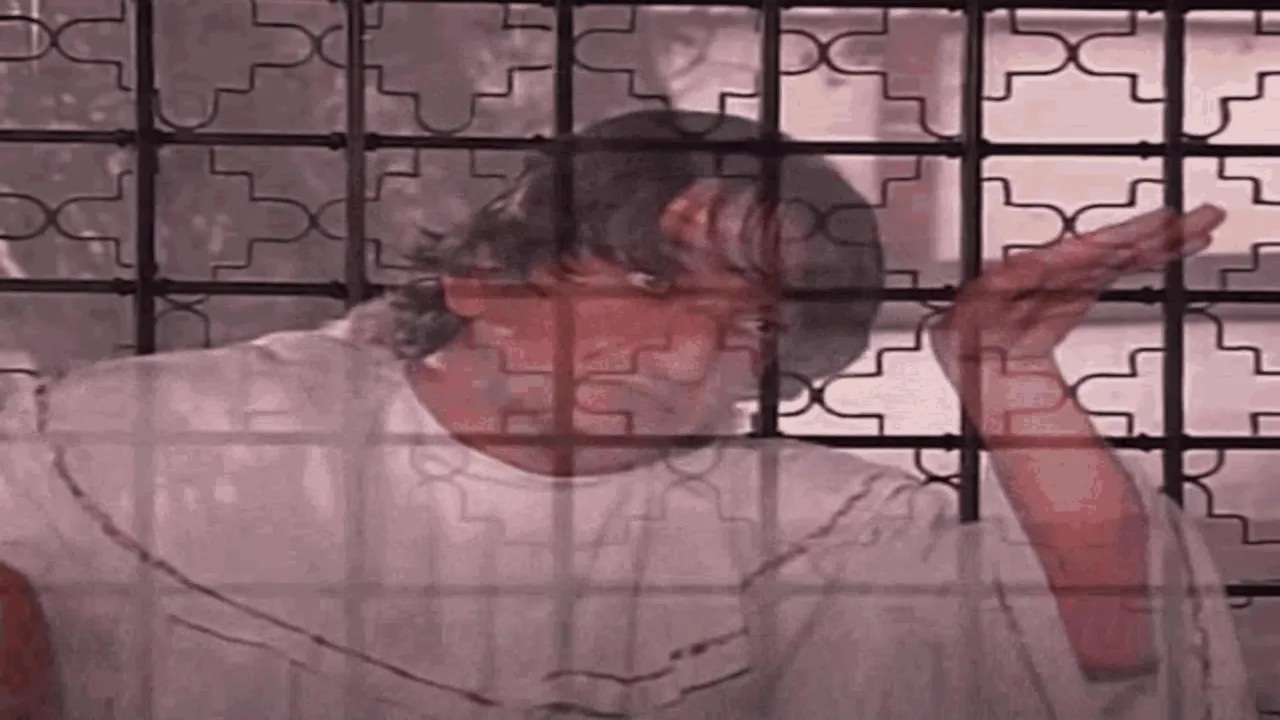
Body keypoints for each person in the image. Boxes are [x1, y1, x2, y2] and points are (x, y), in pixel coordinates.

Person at [0, 108, 1260, 719]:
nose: (686, 352)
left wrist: (1007, 374)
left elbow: (1097, 651)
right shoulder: (190, 440)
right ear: (485, 279)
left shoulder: (788, 523)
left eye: (748, 330)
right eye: (655, 286)